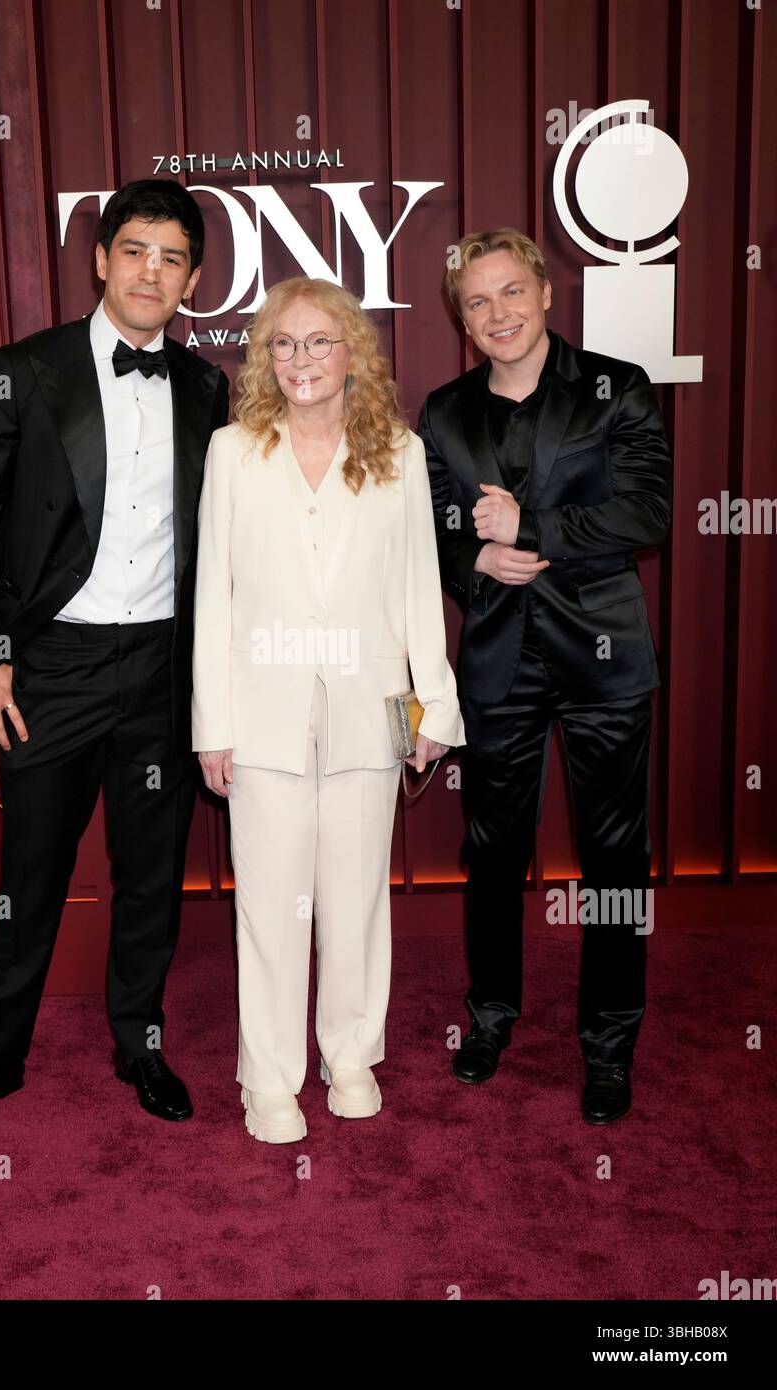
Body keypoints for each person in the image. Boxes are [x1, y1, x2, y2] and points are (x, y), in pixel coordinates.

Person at [0, 180, 229, 1136]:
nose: (151, 271)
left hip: (161, 671)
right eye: (134, 250)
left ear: (192, 279)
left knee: (149, 875)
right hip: (49, 667)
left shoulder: (207, 387)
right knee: (31, 875)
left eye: (172, 257)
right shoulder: (23, 370)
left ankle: (140, 1041)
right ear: (99, 258)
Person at [192, 276, 465, 1144]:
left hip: (370, 706)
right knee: (269, 906)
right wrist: (214, 725)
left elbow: (420, 590)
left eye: (319, 341)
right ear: (265, 358)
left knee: (355, 900)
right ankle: (269, 1079)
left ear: (353, 353)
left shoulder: (400, 451)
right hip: (262, 711)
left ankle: (351, 1056)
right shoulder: (233, 451)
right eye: (283, 343)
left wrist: (429, 711)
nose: (301, 358)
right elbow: (215, 600)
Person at [419, 228, 671, 1125]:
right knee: (491, 854)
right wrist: (473, 561)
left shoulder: (617, 387)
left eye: (511, 293)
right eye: (478, 302)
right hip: (497, 660)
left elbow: (648, 510)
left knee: (612, 860)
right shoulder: (444, 413)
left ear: (546, 293)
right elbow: (433, 534)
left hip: (602, 660)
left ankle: (608, 1045)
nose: (499, 314)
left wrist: (534, 529)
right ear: (463, 317)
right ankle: (490, 1018)